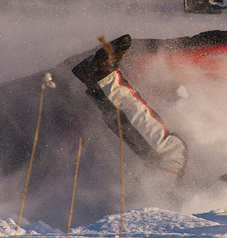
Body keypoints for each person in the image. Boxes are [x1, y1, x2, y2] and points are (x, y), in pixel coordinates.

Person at [72, 34, 188, 194]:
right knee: (168, 156)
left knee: (171, 153)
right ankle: (102, 85)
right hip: (170, 204)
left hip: (166, 207)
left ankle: (103, 79)